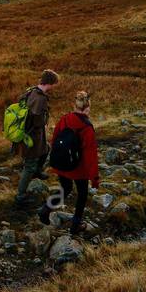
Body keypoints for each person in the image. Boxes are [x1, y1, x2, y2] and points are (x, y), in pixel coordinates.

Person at [41, 90, 99, 235]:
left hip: (62, 163)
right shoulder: (87, 127)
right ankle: (75, 225)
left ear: (75, 106)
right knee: (82, 194)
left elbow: (54, 140)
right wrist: (95, 179)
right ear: (87, 108)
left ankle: (45, 209)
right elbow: (90, 155)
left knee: (65, 189)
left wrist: (55, 160)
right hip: (78, 168)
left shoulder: (64, 119)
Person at [14, 69, 59, 205]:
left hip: (34, 134)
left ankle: (37, 171)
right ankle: (20, 196)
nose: (54, 87)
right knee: (29, 165)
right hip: (31, 136)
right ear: (49, 83)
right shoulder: (40, 98)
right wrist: (43, 122)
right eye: (54, 84)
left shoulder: (32, 91)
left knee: (46, 148)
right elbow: (38, 120)